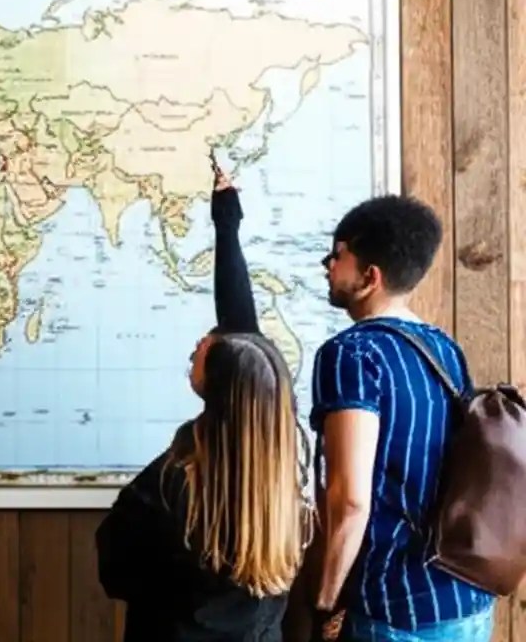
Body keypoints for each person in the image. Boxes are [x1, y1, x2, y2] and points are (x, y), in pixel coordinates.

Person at [95, 160, 309, 640]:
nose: (199, 343)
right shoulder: (279, 467)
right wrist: (226, 217)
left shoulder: (173, 484)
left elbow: (117, 568)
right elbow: (244, 334)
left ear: (219, 390)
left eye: (205, 347)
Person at [307, 196, 495, 641]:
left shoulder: (351, 354)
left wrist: (326, 601)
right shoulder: (444, 349)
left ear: (370, 276)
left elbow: (350, 500)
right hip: (466, 596)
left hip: (393, 607)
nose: (327, 266)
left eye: (337, 255)